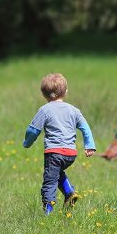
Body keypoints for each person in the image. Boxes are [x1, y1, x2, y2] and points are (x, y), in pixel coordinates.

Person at [23, 73, 96, 215]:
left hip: (54, 152)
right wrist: (89, 145)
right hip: (70, 154)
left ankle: (47, 213)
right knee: (55, 172)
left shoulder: (44, 110)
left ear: (44, 94)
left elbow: (33, 130)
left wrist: (27, 142)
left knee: (49, 181)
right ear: (66, 92)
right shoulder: (74, 110)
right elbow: (85, 127)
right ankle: (69, 192)